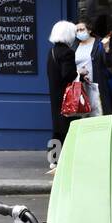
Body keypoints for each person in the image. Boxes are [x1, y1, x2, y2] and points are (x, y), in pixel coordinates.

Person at [46, 20, 78, 171]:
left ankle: (53, 159)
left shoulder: (52, 51)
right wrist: (79, 73)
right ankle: (67, 158)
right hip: (66, 96)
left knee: (56, 128)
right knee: (67, 128)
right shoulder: (67, 53)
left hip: (55, 95)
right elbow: (67, 75)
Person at [73, 19, 112, 120]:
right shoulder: (75, 45)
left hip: (95, 86)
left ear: (89, 30)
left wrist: (107, 49)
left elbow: (109, 64)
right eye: (77, 30)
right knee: (82, 117)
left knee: (98, 116)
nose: (79, 32)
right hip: (80, 87)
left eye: (81, 29)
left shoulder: (99, 44)